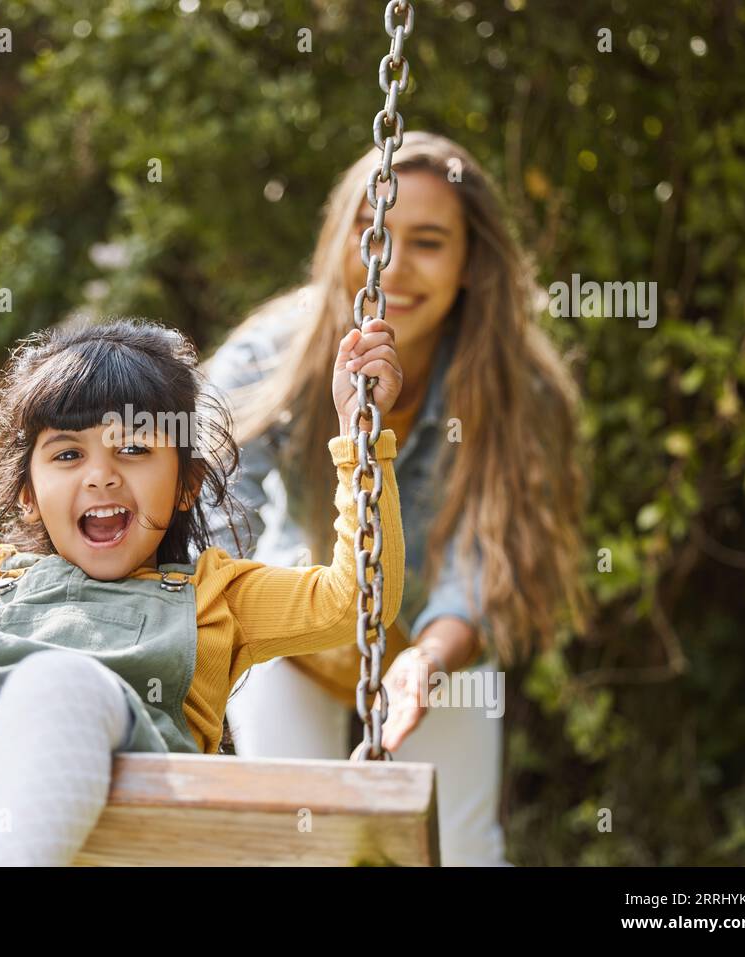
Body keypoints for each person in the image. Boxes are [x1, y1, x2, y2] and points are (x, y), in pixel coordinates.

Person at [0, 316, 406, 866]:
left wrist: (361, 440)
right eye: (67, 455)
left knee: (58, 682)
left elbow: (356, 600)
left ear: (185, 486)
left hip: (139, 812)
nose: (100, 476)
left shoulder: (219, 593)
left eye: (132, 449)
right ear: (28, 495)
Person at [197, 132, 586, 867]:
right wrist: (254, 615)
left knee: (461, 850)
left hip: (435, 643)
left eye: (430, 241)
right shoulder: (274, 353)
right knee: (294, 845)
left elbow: (487, 554)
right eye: (375, 234)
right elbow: (216, 506)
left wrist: (429, 659)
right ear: (344, 238)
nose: (395, 267)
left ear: (471, 261)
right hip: (296, 622)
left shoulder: (515, 388)